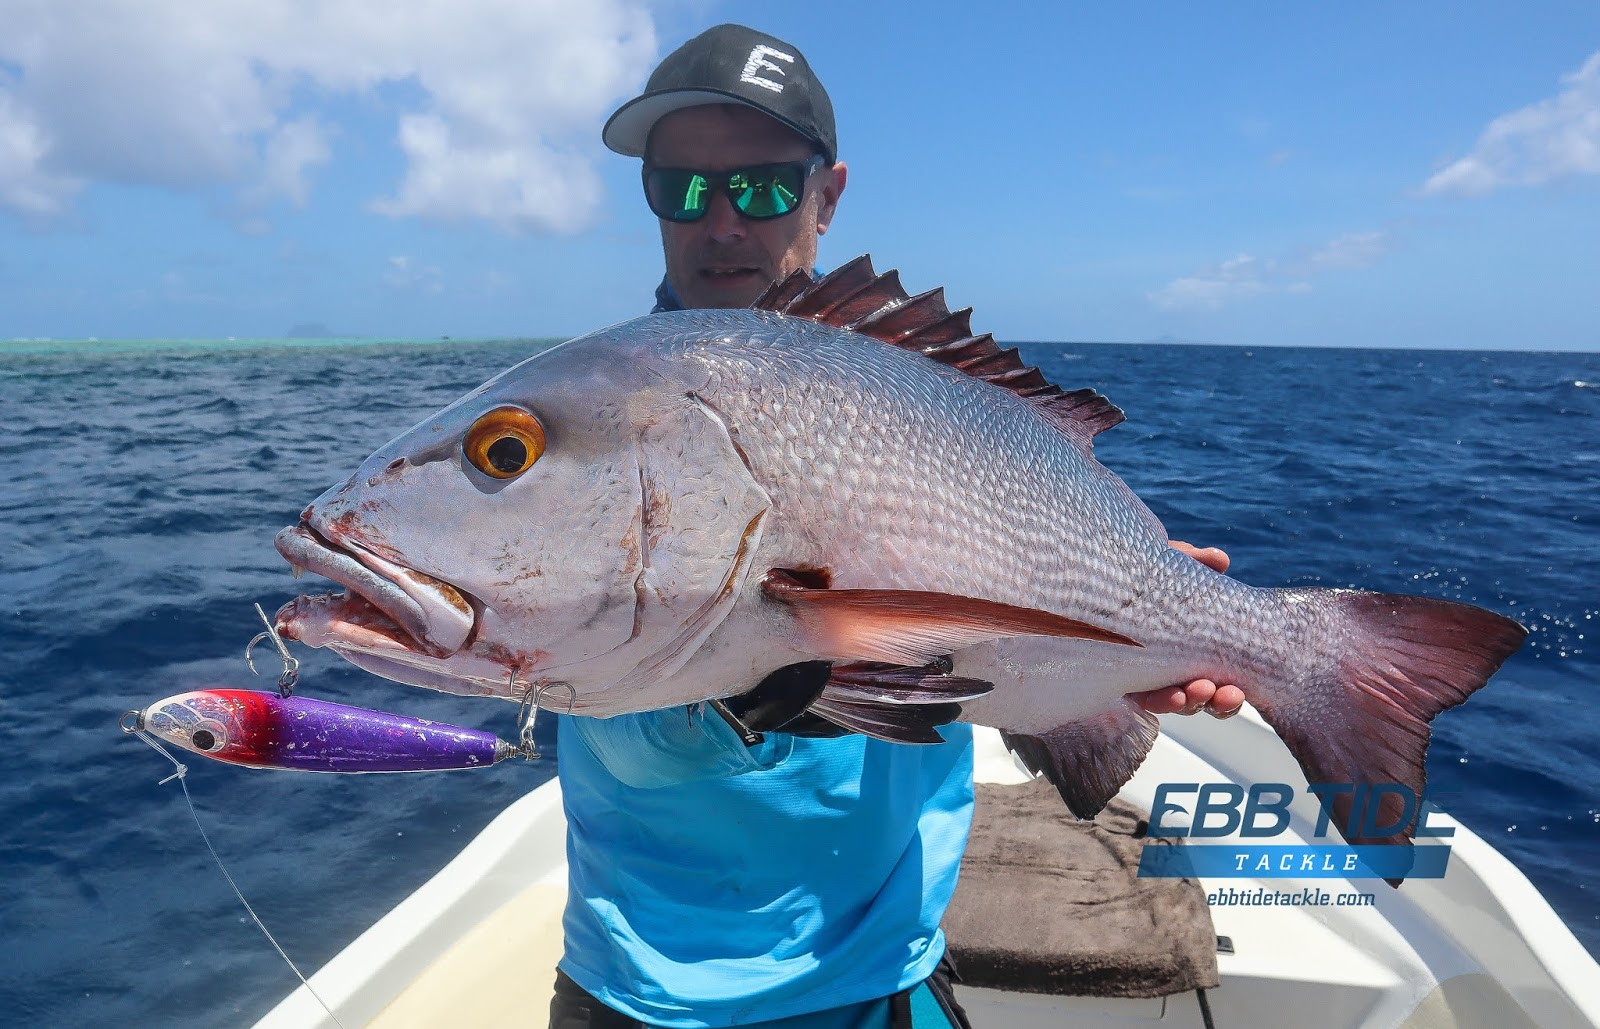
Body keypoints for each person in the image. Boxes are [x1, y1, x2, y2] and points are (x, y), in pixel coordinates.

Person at [550, 24, 1243, 1029]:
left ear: (827, 196)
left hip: (881, 969)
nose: (723, 222)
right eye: (685, 190)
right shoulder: (595, 411)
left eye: (763, 186)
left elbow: (1005, 643)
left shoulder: (928, 392)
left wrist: (1127, 615)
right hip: (640, 980)